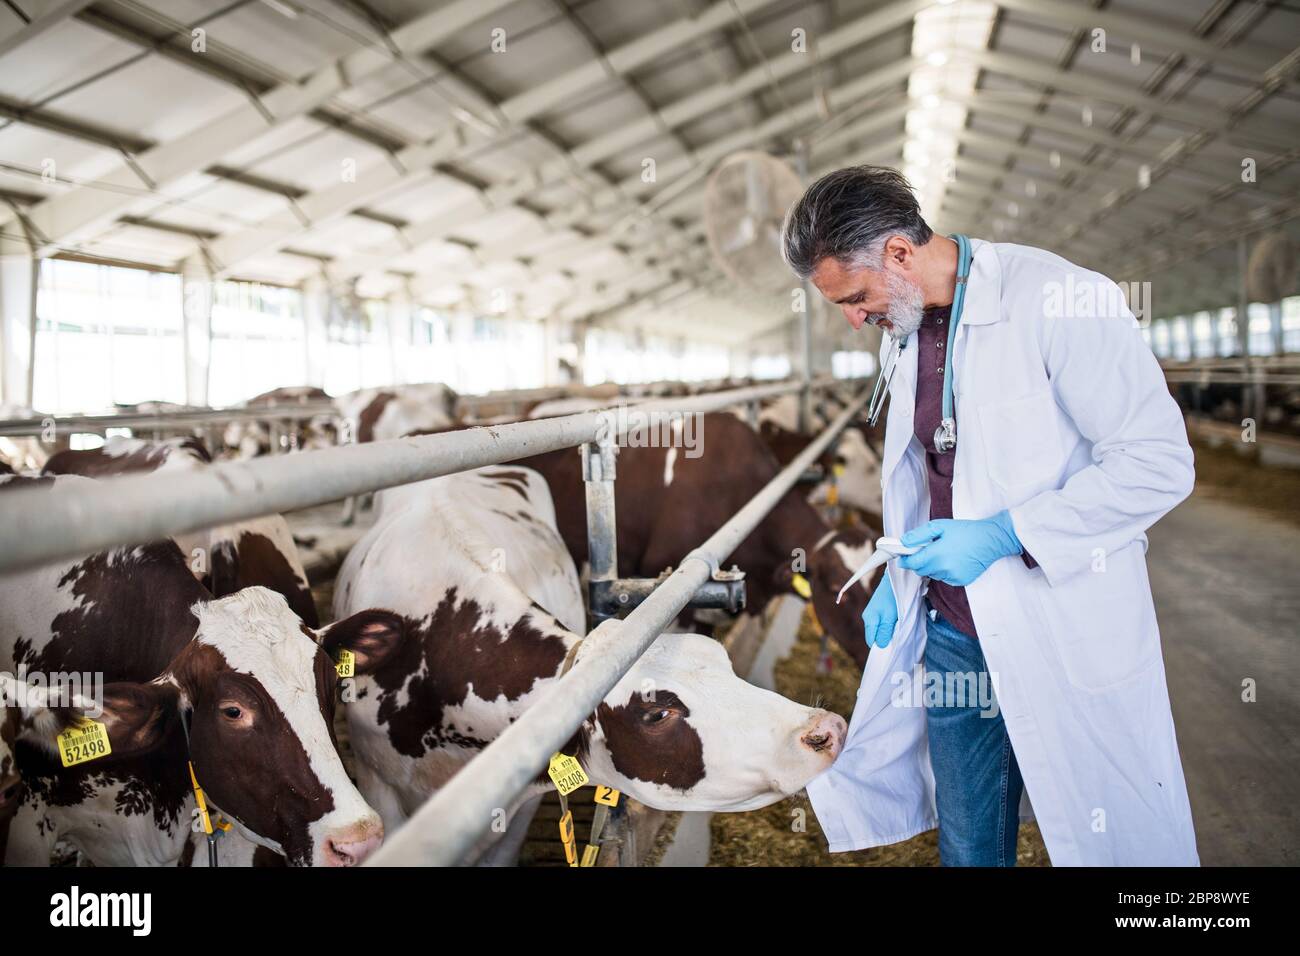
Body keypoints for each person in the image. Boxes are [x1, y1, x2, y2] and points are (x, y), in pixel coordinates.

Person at [781, 165, 1198, 866]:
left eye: (855, 298)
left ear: (900, 253)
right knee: (970, 842)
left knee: (1111, 839)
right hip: (951, 630)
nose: (854, 318)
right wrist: (899, 574)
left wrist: (1008, 533)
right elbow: (930, 470)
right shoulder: (904, 324)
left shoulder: (1059, 299)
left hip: (1058, 618)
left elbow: (1158, 462)